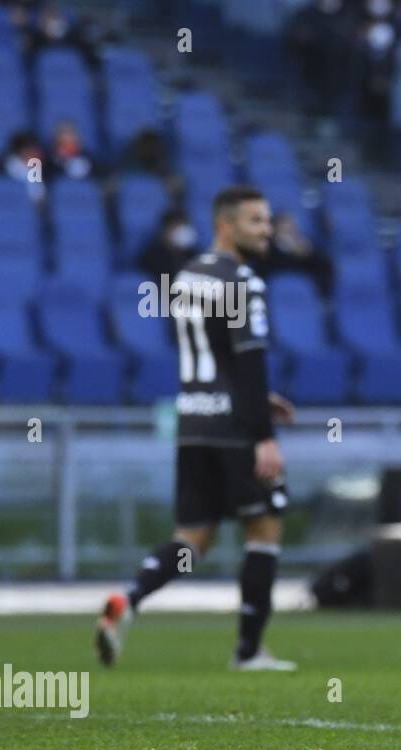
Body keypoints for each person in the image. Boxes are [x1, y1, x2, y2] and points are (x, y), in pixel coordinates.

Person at [95, 186, 297, 670]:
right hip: (233, 427)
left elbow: (211, 355)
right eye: (256, 221)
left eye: (268, 220)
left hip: (193, 422)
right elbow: (249, 362)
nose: (267, 229)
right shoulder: (242, 281)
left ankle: (129, 597)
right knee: (264, 527)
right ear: (225, 225)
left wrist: (251, 398)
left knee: (192, 539)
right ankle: (247, 651)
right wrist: (263, 433)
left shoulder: (186, 277)